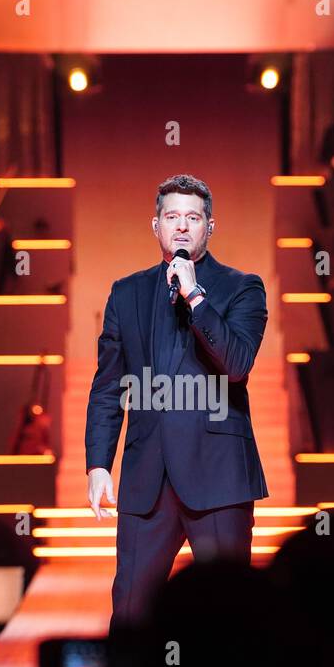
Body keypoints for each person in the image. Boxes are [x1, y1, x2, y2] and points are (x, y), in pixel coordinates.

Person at [84, 174, 268, 633]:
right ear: (156, 226)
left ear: (210, 226)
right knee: (130, 613)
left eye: (192, 217)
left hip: (219, 476)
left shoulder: (242, 288)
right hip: (148, 478)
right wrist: (98, 463)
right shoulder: (126, 293)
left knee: (229, 619)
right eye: (172, 217)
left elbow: (237, 364)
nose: (182, 226)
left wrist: (195, 295)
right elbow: (108, 384)